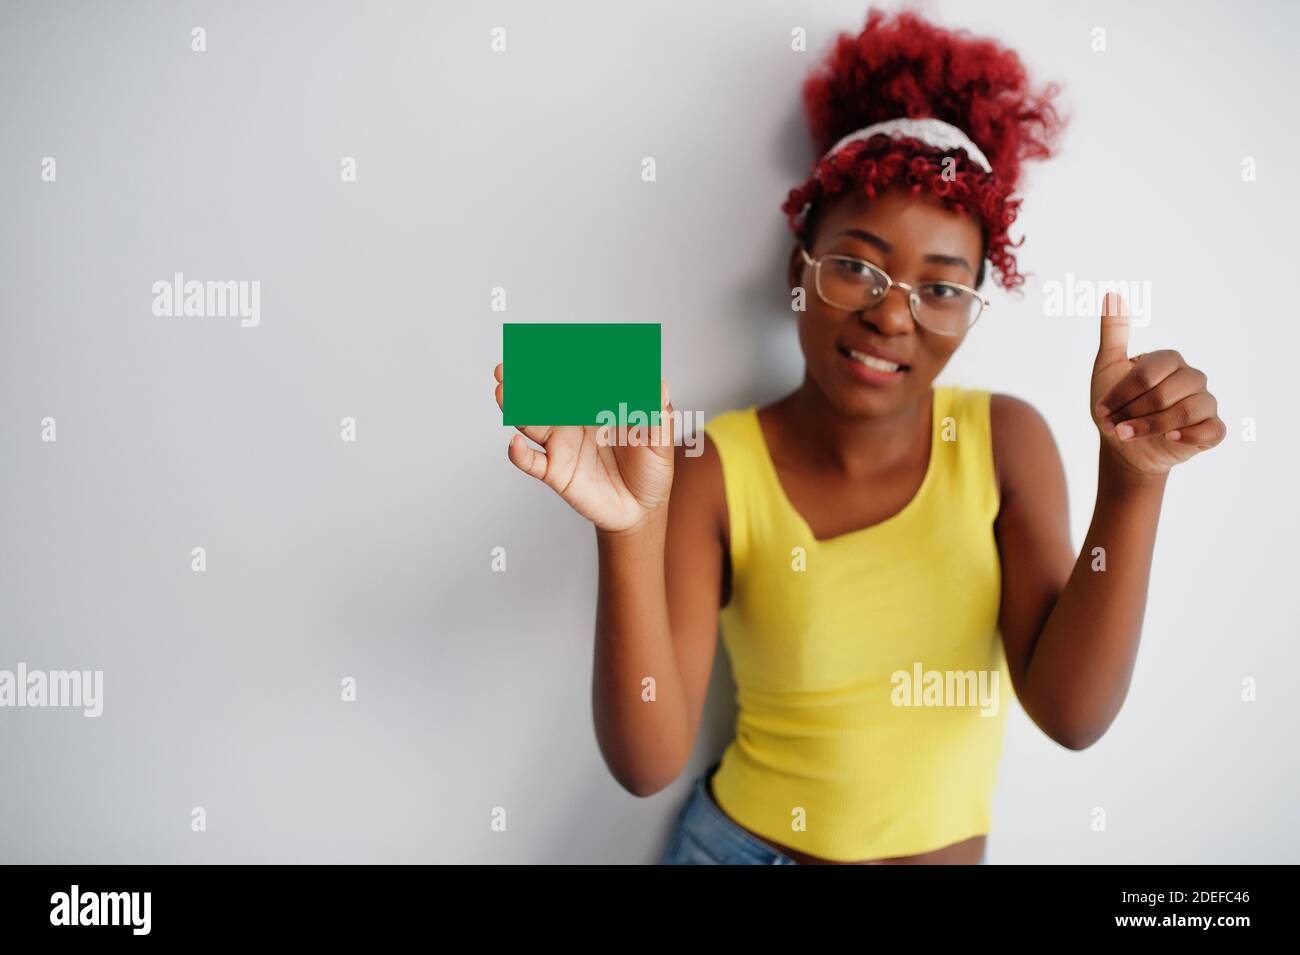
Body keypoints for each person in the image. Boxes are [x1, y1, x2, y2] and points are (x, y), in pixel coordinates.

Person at [492, 9, 1224, 864]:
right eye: (856, 265)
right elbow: (647, 762)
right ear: (796, 268)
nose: (890, 314)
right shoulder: (710, 463)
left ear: (973, 309)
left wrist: (1133, 483)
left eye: (941, 287)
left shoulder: (1007, 443)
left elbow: (1072, 714)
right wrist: (626, 532)